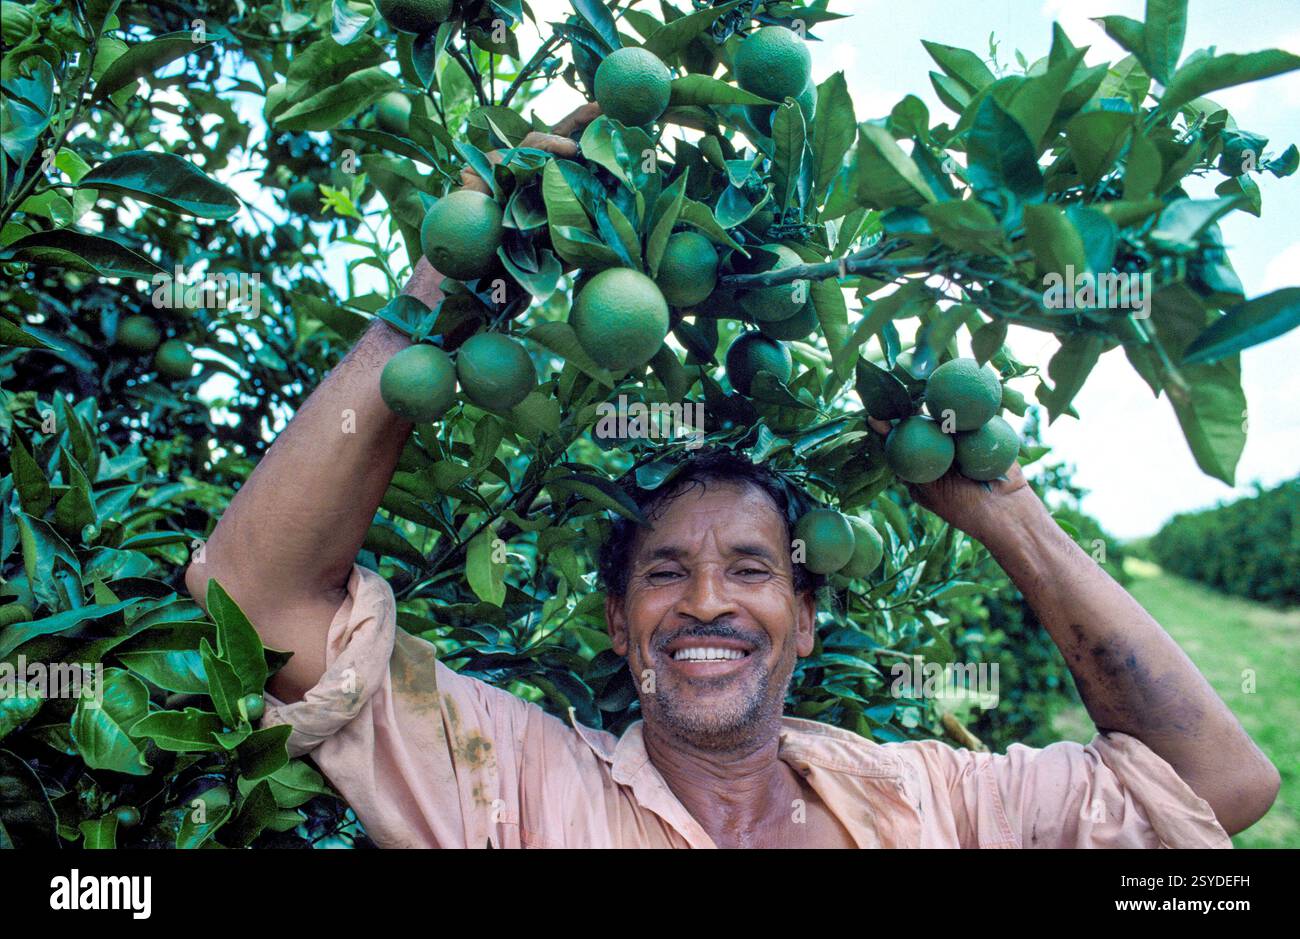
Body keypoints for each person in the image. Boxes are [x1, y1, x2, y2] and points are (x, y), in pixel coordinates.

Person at [184, 105, 1279, 848]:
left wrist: (1008, 514)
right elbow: (258, 597)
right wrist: (443, 286)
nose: (706, 600)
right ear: (616, 625)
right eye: (665, 573)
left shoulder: (929, 801)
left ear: (804, 618)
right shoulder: (511, 785)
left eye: (751, 568)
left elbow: (1216, 789)